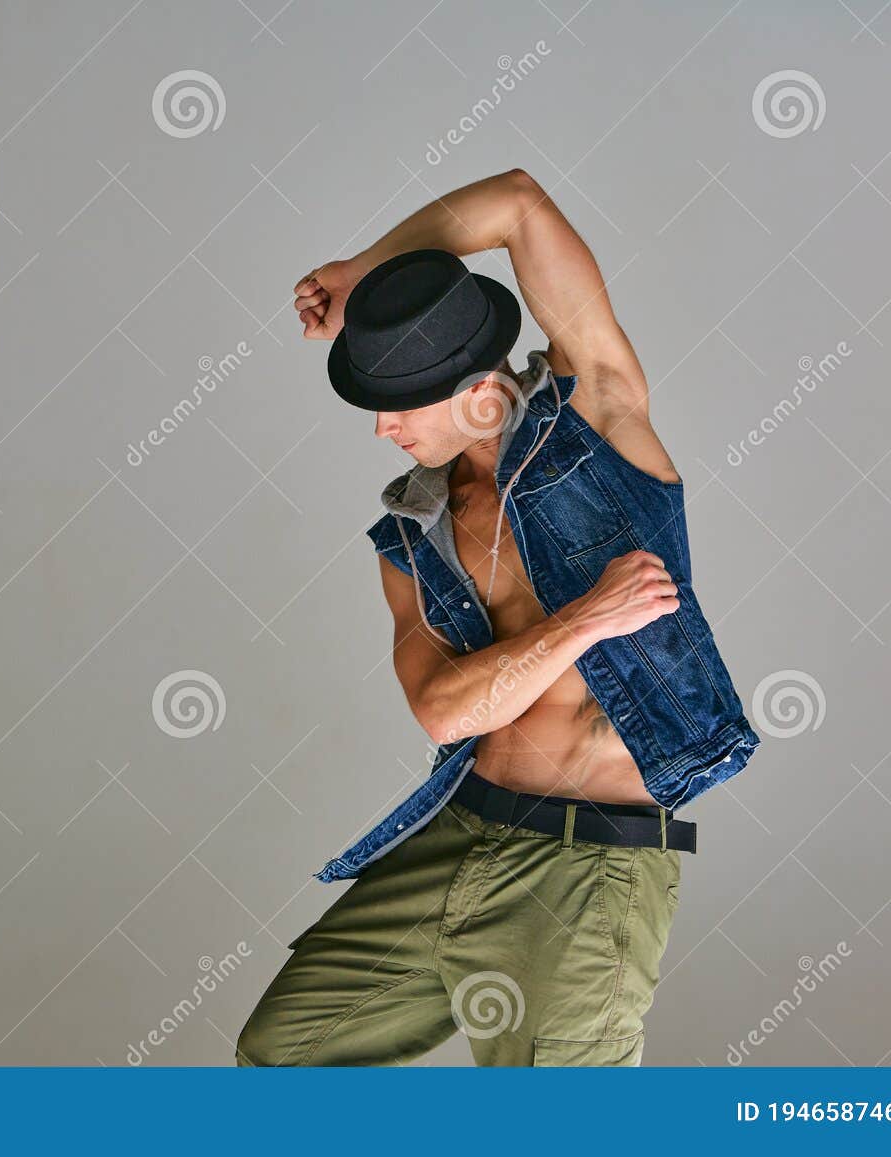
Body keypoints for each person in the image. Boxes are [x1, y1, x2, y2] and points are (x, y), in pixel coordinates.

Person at [235, 169, 761, 1067]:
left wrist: (365, 270)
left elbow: (519, 203)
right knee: (283, 1054)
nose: (379, 430)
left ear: (469, 388)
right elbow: (444, 708)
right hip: (459, 833)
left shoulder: (601, 417)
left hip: (590, 865)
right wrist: (585, 619)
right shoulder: (409, 534)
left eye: (394, 404)